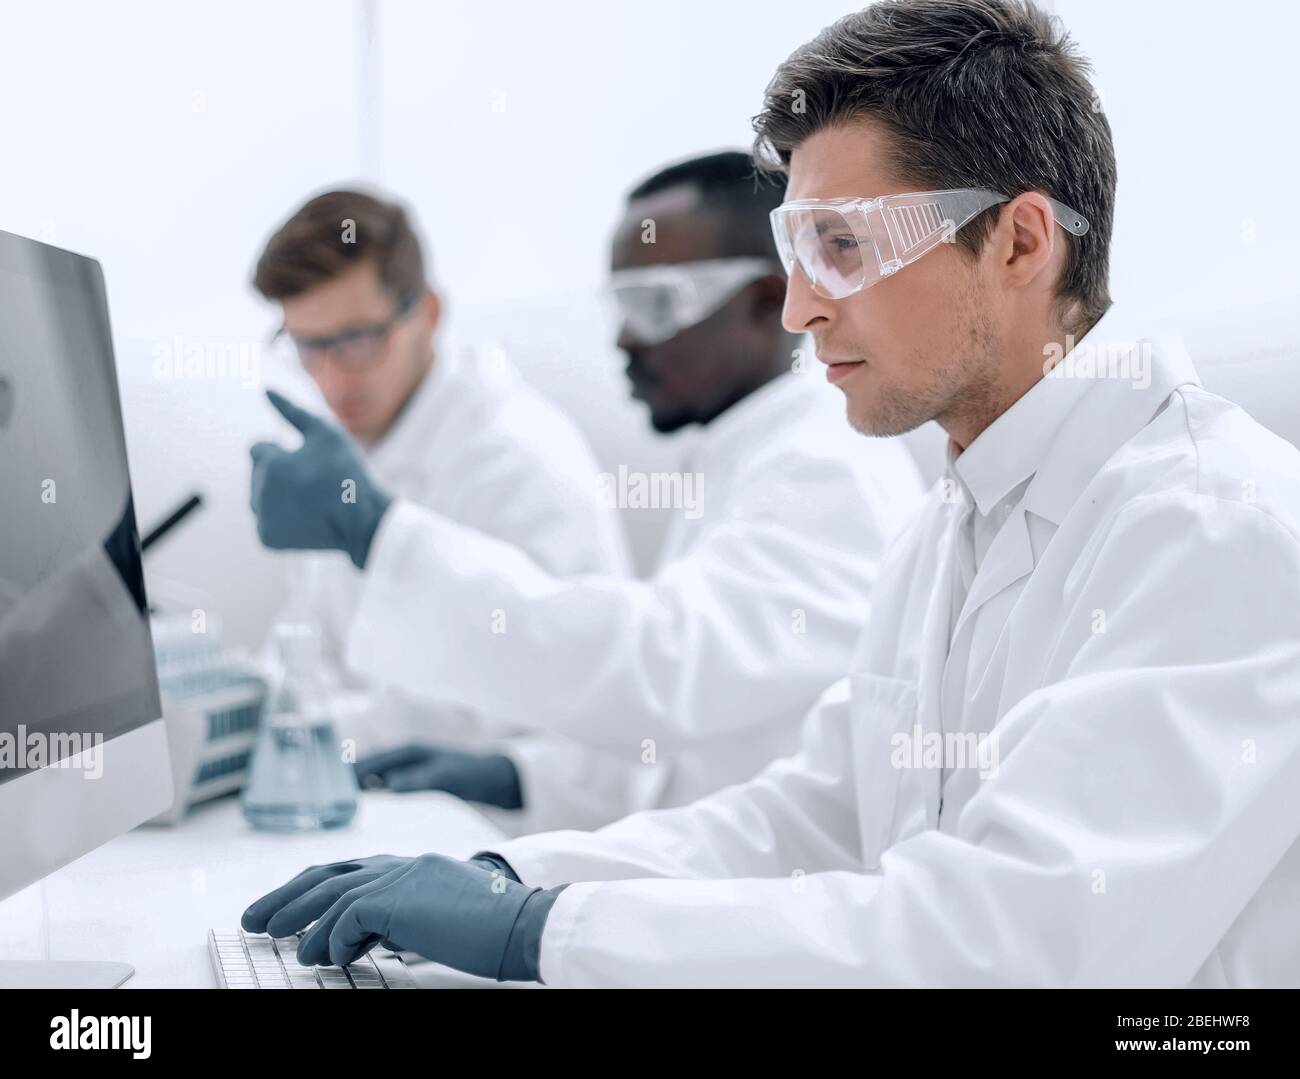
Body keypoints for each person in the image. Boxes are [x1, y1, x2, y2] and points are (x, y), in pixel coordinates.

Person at [245, 0, 1300, 988]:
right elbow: (813, 816)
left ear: (1019, 241)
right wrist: (515, 877)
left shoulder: (1217, 532)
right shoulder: (955, 514)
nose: (796, 308)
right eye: (797, 250)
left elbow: (1006, 943)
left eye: (841, 245)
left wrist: (545, 933)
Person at [249, 154, 925, 832]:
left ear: (769, 299)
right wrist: (521, 779)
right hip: (704, 855)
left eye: (655, 303)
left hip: (761, 885)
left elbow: (660, 673)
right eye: (620, 305)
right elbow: (682, 738)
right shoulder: (748, 453)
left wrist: (375, 531)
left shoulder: (826, 468)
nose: (625, 338)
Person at [249, 189, 631, 809]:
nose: (331, 377)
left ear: (426, 312)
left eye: (356, 341)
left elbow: (533, 695)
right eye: (307, 346)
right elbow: (306, 648)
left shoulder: (518, 460)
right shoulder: (351, 446)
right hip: (361, 793)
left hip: (496, 825)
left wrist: (296, 730)